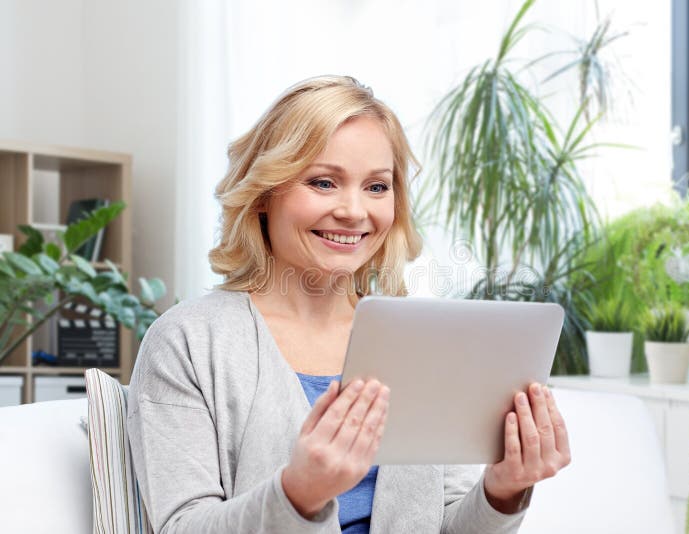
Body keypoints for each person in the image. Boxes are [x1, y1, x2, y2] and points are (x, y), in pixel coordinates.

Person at [127, 75, 571, 534]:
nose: (354, 212)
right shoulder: (187, 342)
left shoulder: (417, 342)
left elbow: (444, 522)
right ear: (263, 194)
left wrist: (503, 490)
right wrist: (297, 494)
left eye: (377, 187)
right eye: (324, 182)